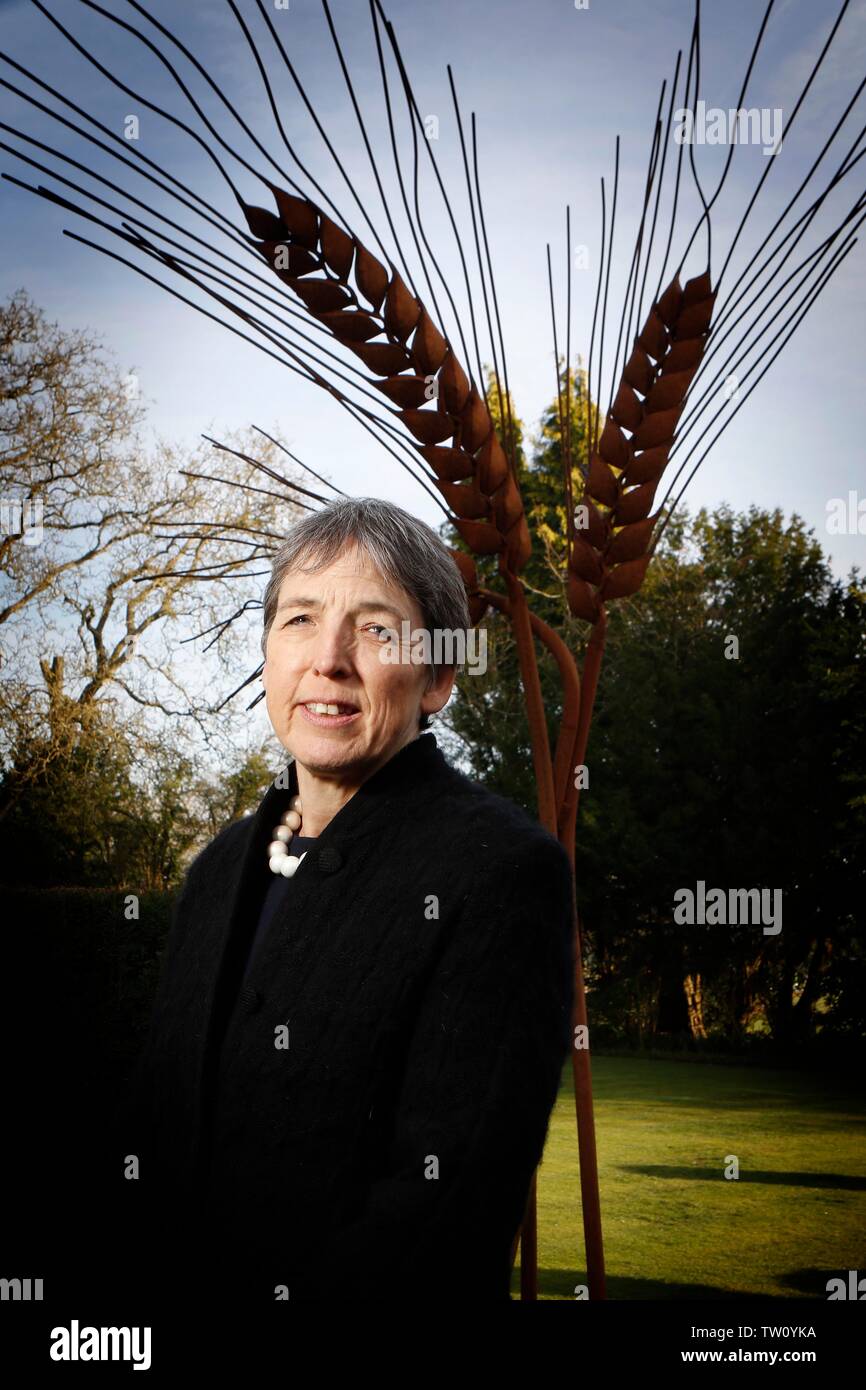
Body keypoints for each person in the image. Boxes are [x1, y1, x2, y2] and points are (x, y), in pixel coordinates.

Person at [111, 496, 575, 1306]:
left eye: (374, 628)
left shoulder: (500, 870)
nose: (328, 659)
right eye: (299, 620)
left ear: (437, 679)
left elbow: (451, 1205)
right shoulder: (217, 868)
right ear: (268, 656)